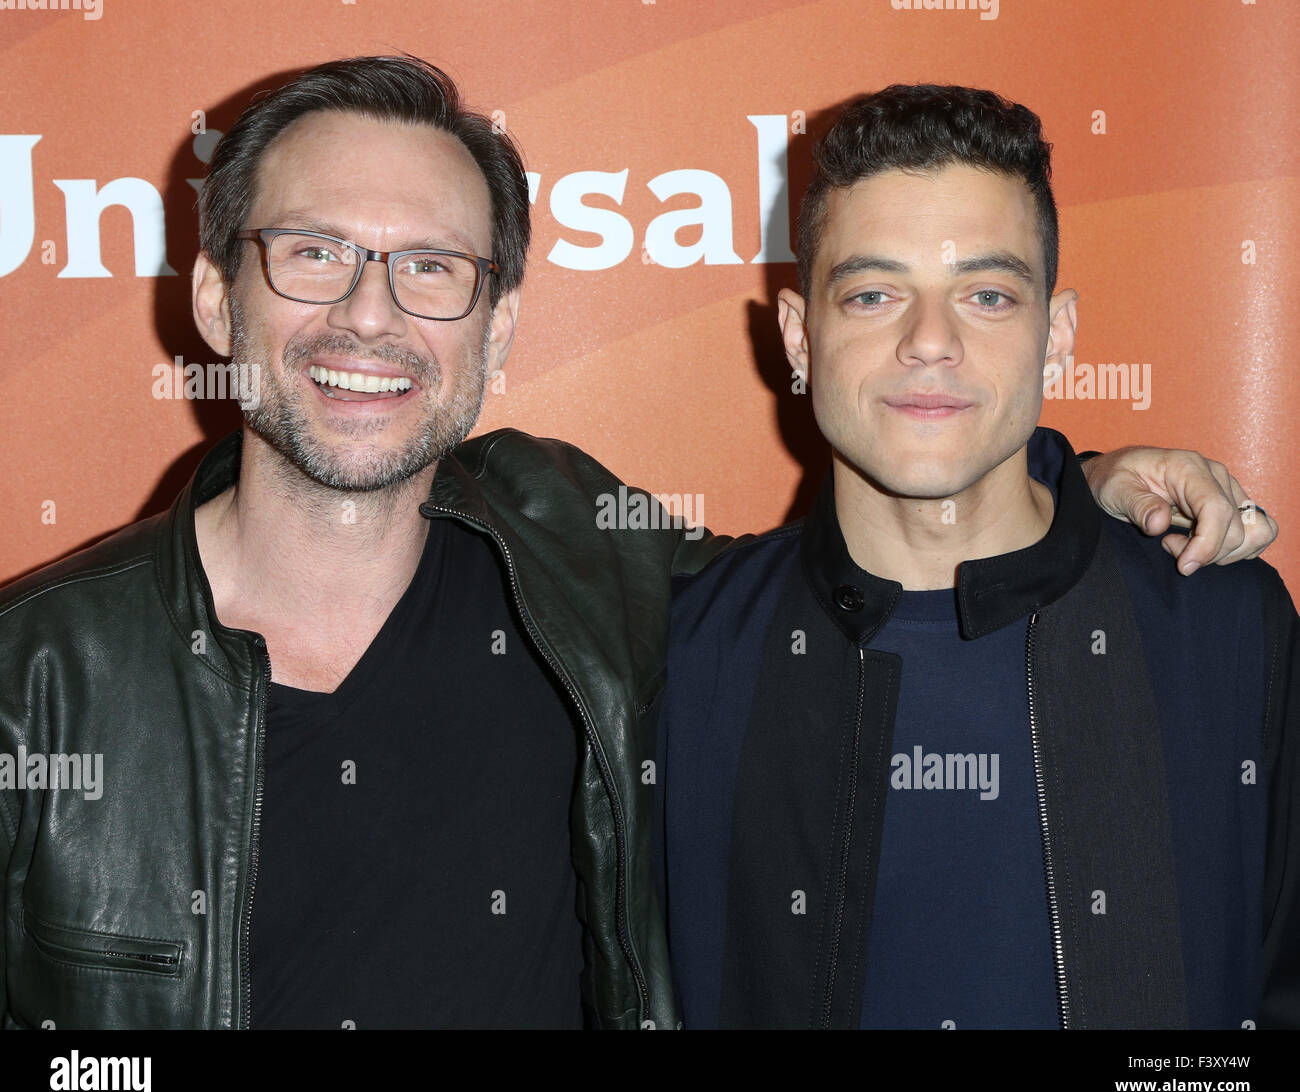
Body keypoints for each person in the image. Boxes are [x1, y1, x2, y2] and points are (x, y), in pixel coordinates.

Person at [0, 58, 1279, 1030]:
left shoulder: (592, 580)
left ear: (496, 331)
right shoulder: (32, 680)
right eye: (316, 254)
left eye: (432, 268)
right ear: (218, 297)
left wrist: (1089, 476)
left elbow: (908, 548)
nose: (369, 314)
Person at [655, 83, 1298, 1030]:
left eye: (987, 295)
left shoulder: (1225, 626)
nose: (930, 342)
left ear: (1059, 337)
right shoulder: (680, 648)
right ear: (800, 337)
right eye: (875, 294)